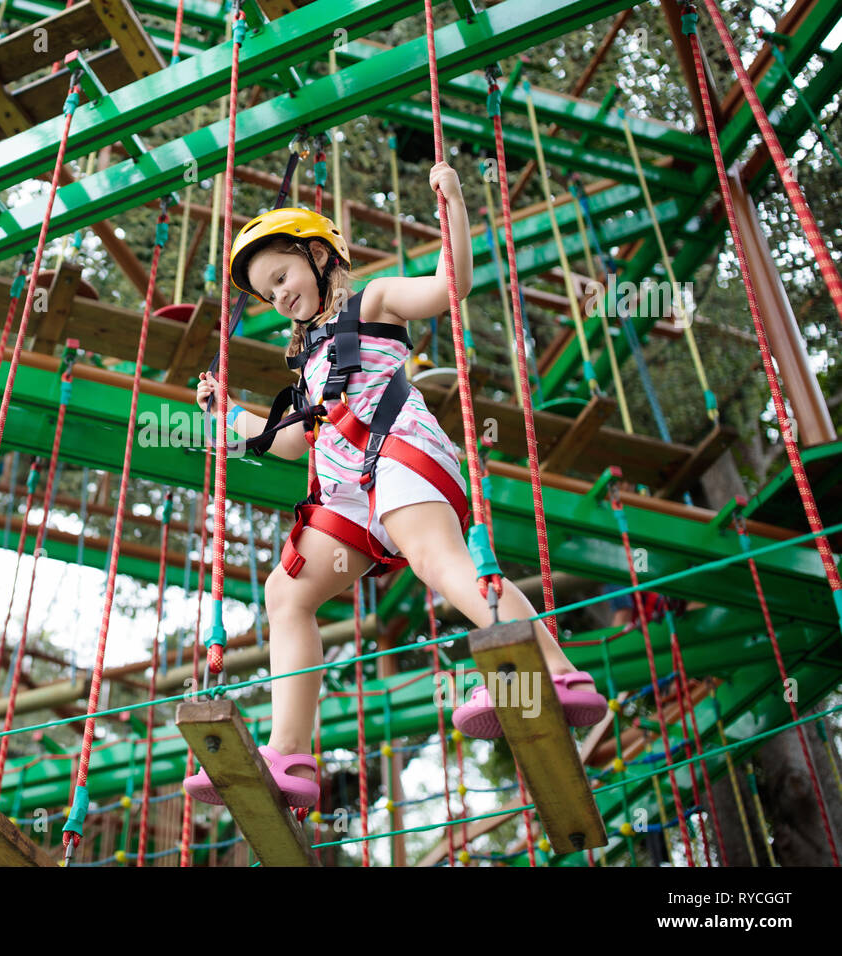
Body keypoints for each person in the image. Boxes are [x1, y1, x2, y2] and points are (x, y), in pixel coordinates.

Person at [183, 163, 606, 809]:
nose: (278, 297)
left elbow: (450, 285)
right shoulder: (309, 367)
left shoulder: (372, 303)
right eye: (267, 294)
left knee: (440, 562)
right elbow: (295, 440)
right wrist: (228, 416)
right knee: (287, 594)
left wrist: (454, 207)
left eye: (282, 277)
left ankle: (555, 670)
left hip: (399, 455)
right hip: (350, 496)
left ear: (320, 257)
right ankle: (291, 754)